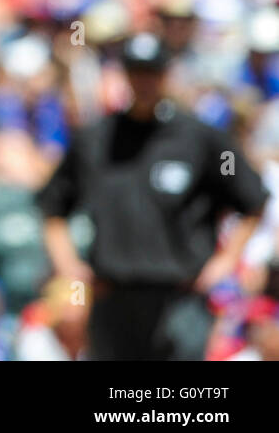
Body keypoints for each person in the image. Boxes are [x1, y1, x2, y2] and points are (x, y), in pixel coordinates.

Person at [36, 32, 270, 360]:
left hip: (179, 299)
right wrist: (69, 266)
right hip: (112, 298)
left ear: (166, 75)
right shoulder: (96, 140)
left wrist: (225, 262)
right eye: (136, 72)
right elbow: (52, 205)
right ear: (124, 75)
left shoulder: (202, 141)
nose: (143, 81)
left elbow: (252, 199)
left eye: (152, 72)